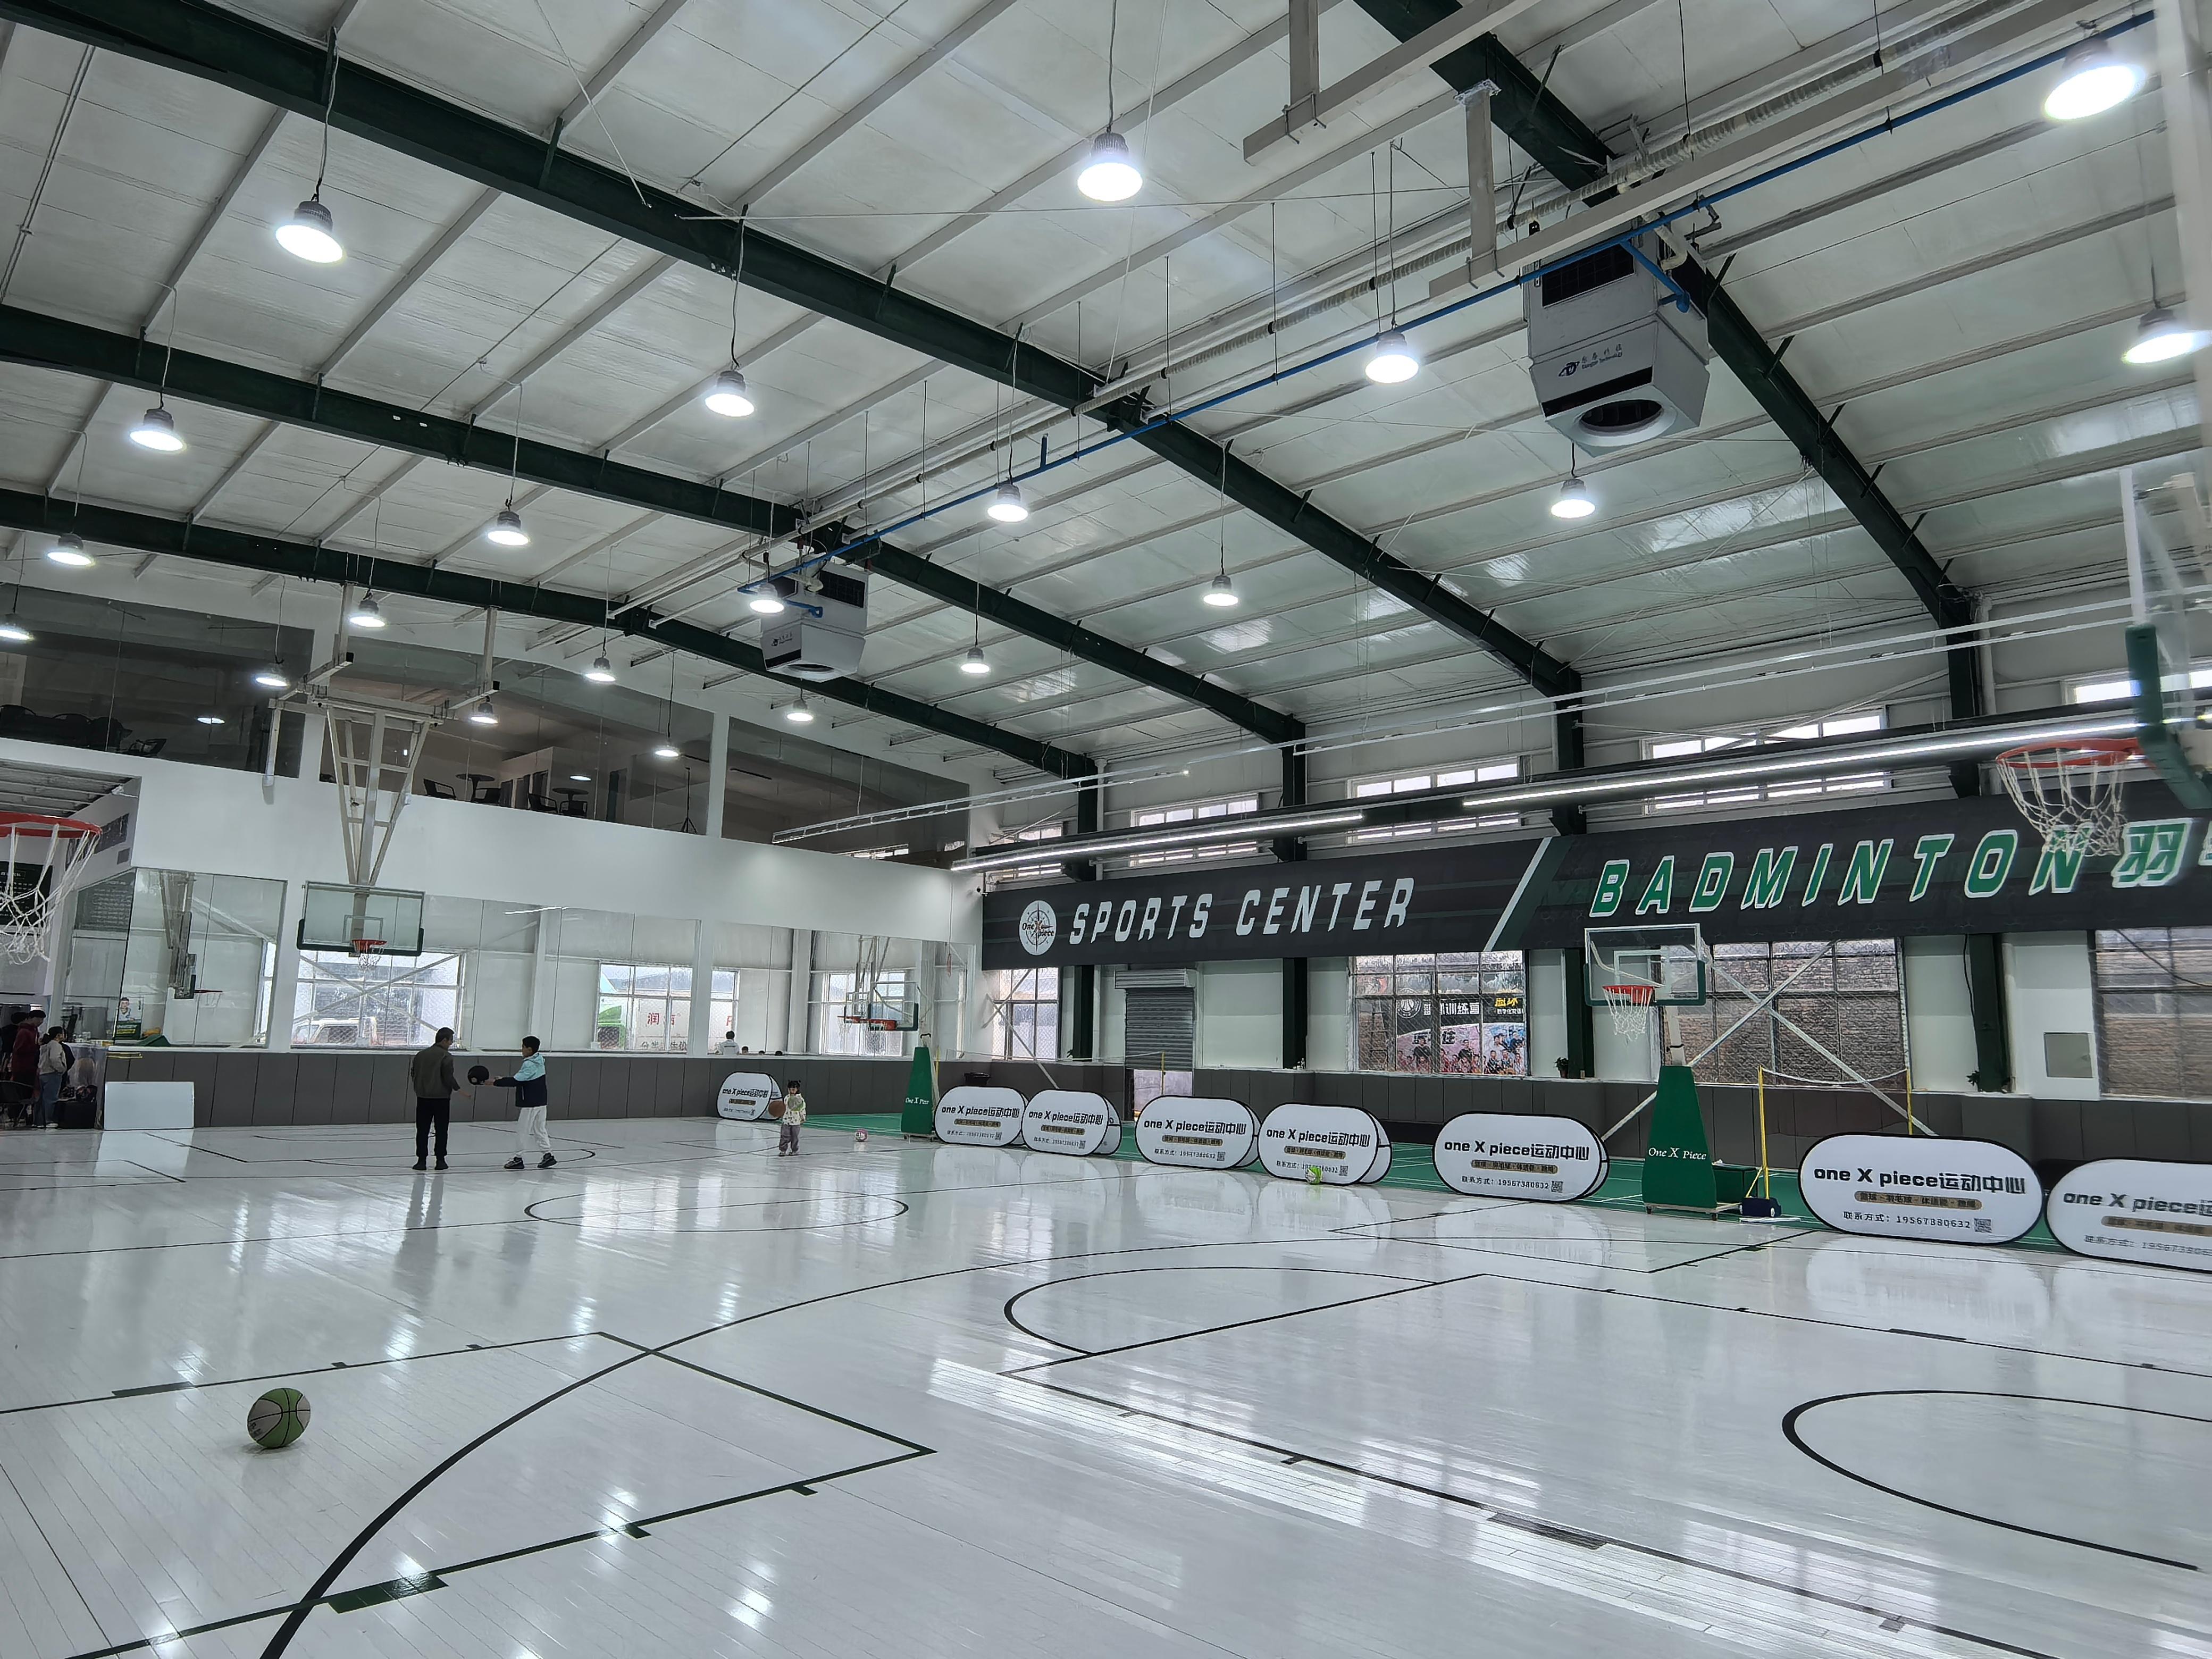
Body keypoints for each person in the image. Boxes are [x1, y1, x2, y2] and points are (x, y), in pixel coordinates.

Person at [409, 1026, 466, 1171]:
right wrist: (458, 1089)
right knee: (441, 1130)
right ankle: (440, 1160)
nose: (451, 1044)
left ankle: (421, 1161)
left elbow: (413, 1073)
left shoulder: (420, 1055)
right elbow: (448, 1077)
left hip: (423, 1097)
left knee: (422, 1130)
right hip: (441, 1099)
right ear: (444, 1040)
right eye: (450, 1041)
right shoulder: (446, 1057)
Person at [496, 1037, 555, 1170]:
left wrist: (497, 1082)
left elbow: (517, 1081)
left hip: (531, 1103)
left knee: (523, 1130)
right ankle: (548, 1154)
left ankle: (518, 1158)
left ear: (529, 1049)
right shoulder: (540, 1060)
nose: (521, 1050)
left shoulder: (529, 1064)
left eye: (523, 1047)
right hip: (541, 1102)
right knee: (540, 1129)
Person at [34, 1027, 68, 1130]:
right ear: (58, 1035)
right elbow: (54, 1058)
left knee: (42, 1099)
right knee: (51, 1098)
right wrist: (61, 1069)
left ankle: (39, 1121)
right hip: (52, 1073)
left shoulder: (45, 1045)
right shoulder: (56, 1045)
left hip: (43, 1073)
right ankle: (49, 1121)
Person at [777, 1077, 806, 1157]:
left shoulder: (800, 1099)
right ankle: (783, 1150)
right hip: (786, 1120)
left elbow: (802, 1109)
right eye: (790, 1089)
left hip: (796, 1121)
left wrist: (803, 1118)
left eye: (793, 1089)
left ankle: (794, 1150)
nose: (791, 1091)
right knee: (784, 1135)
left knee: (795, 1137)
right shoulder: (786, 1098)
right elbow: (784, 1108)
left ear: (797, 1089)